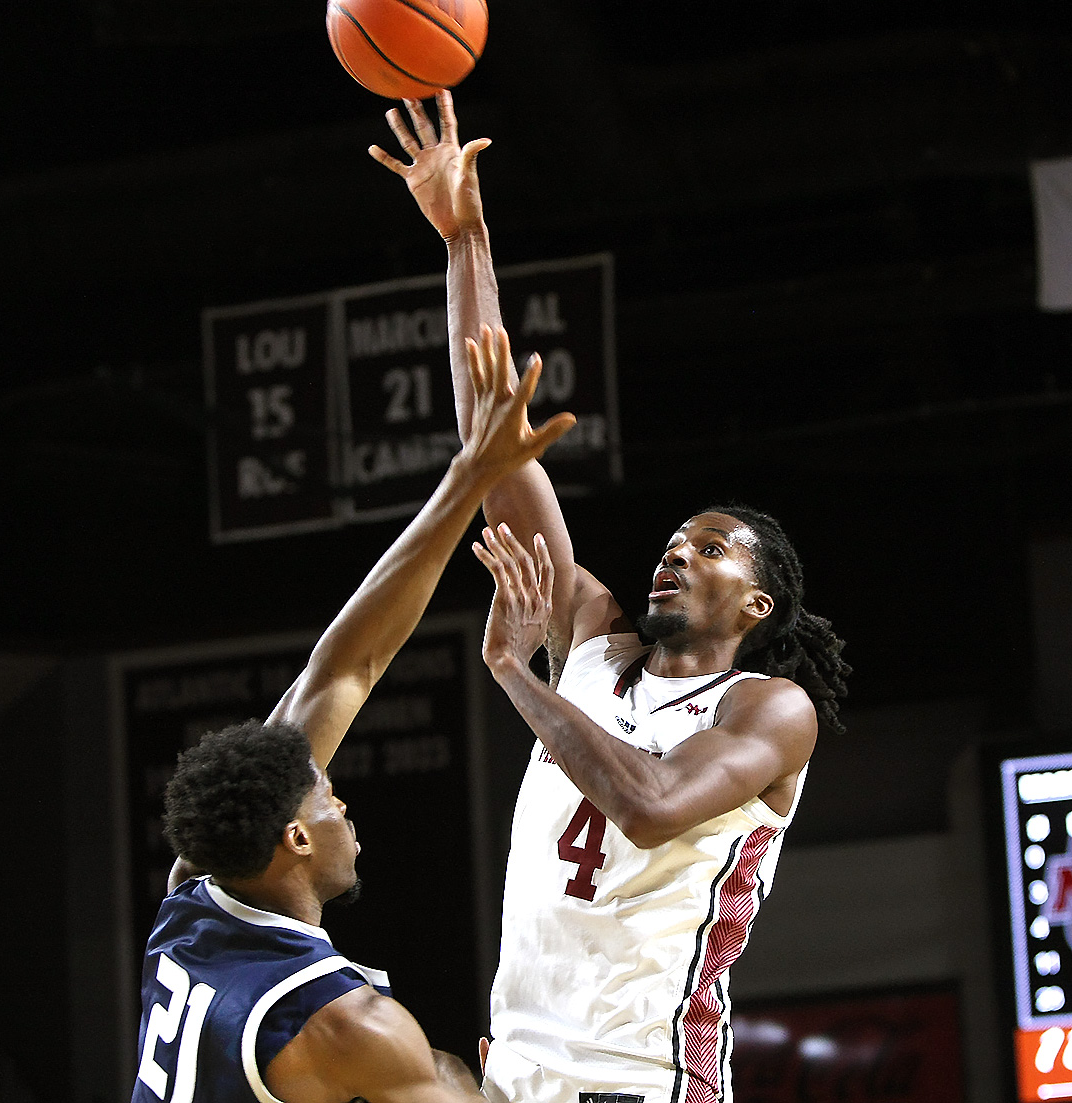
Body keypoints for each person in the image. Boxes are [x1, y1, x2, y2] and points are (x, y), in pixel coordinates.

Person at [371, 94, 851, 1103]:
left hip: (638, 1079)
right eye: (672, 542)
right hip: (519, 1069)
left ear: (757, 604)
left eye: (709, 549)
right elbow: (493, 440)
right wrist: (464, 239)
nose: (675, 554)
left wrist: (514, 672)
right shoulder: (593, 637)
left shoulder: (768, 710)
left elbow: (649, 805)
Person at [131, 331, 575, 1103]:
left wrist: (471, 475)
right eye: (328, 798)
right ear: (297, 838)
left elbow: (345, 666)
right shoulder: (345, 1023)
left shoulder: (196, 899)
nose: (342, 805)